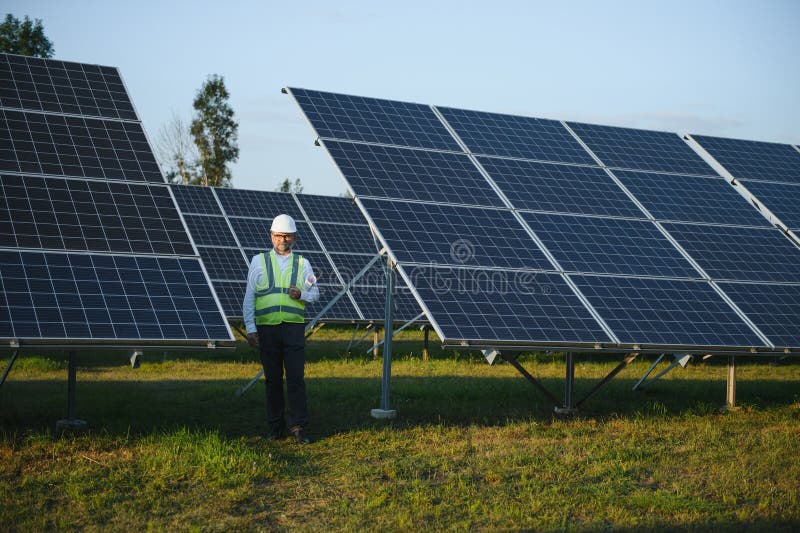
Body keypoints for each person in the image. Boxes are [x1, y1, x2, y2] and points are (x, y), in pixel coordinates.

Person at [243, 214, 319, 444]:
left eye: (286, 235)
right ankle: (275, 428)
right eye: (278, 235)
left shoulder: (303, 264)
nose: (282, 239)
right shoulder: (258, 261)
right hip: (267, 329)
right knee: (273, 380)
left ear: (294, 237)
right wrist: (250, 327)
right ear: (271, 236)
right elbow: (250, 297)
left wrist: (302, 294)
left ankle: (298, 428)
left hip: (293, 329)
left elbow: (315, 294)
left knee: (296, 378)